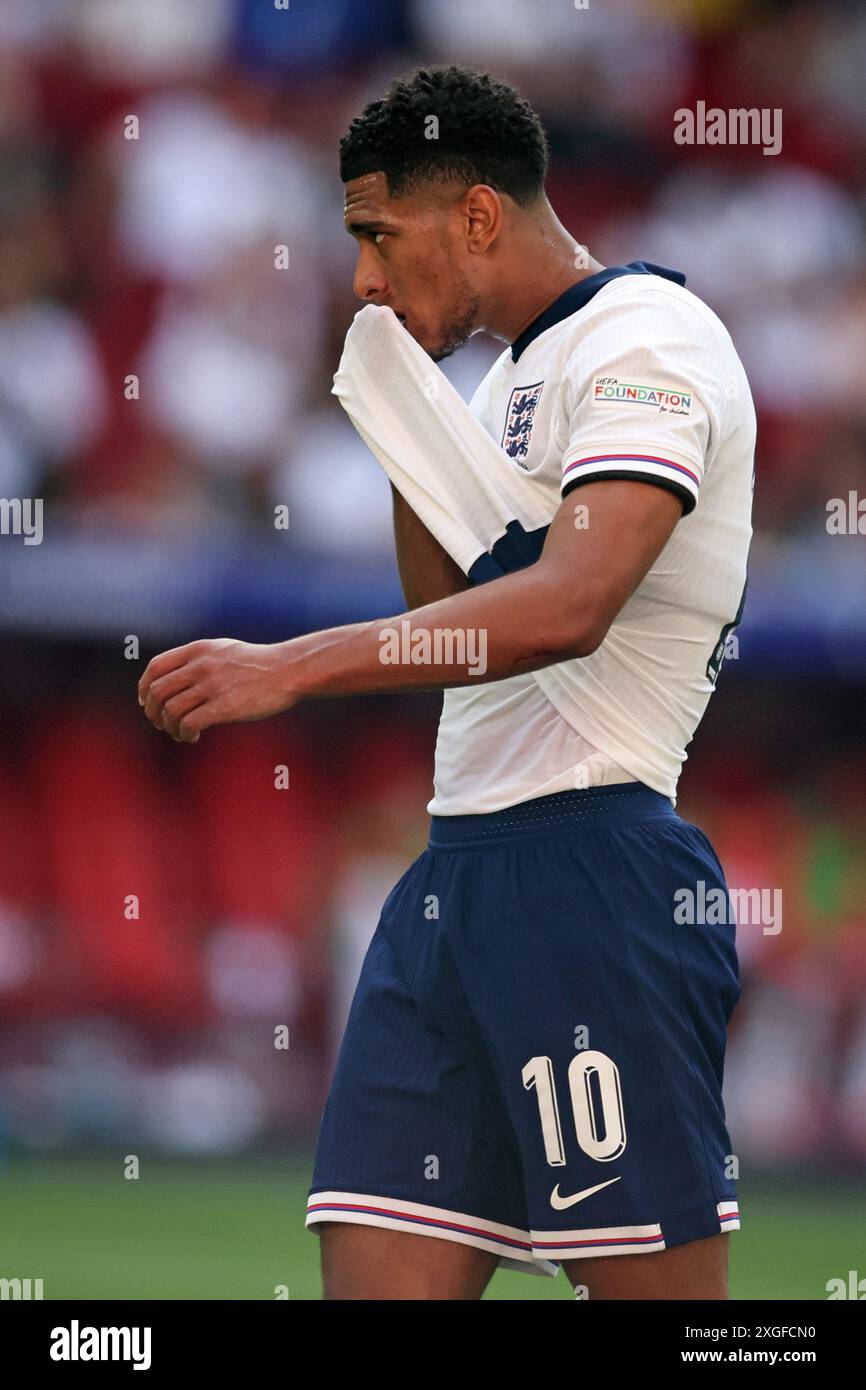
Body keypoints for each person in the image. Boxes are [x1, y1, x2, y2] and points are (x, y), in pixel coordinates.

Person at [139, 65, 754, 1300]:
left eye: (378, 234)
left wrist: (296, 665)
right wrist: (401, 419)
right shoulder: (504, 379)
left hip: (597, 872)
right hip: (450, 877)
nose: (362, 274)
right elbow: (448, 625)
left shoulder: (651, 338)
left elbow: (570, 605)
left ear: (476, 216)